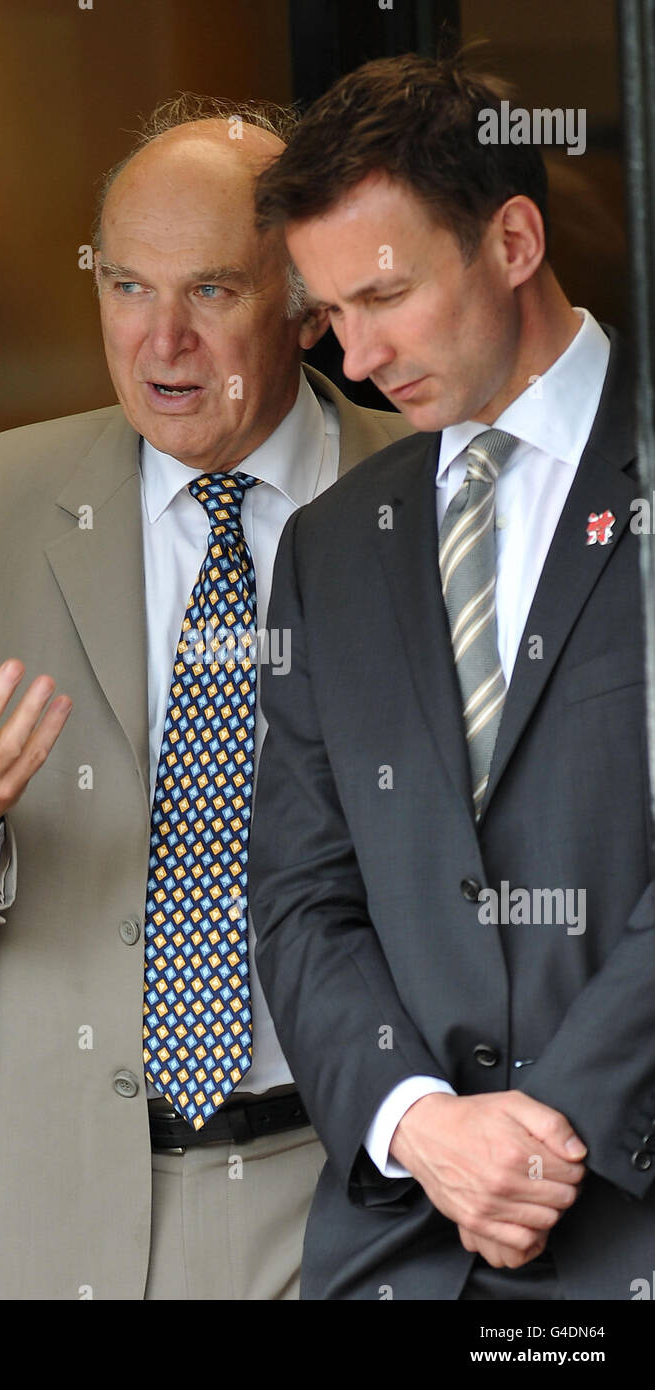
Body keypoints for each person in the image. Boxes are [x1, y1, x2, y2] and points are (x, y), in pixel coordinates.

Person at [0, 95, 412, 1300]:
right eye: (124, 287)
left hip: (352, 1190)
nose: (160, 343)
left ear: (307, 299)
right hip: (44, 1197)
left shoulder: (422, 500)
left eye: (210, 291)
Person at [248, 53, 655, 1300]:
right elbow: (301, 895)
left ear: (514, 239)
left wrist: (540, 1140)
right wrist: (422, 1124)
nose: (355, 358)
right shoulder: (329, 545)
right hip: (398, 1253)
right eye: (327, 312)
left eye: (384, 294)